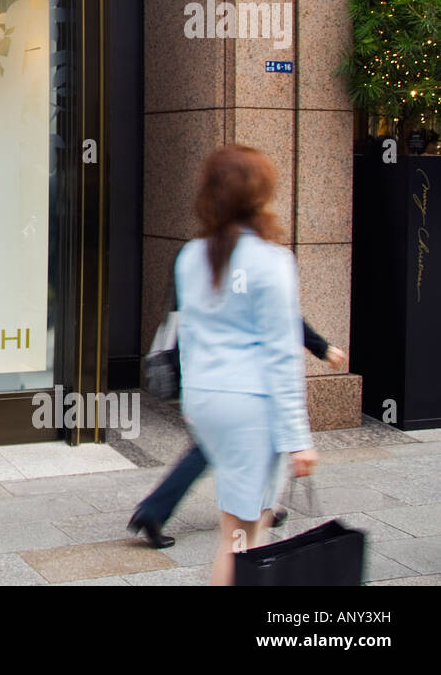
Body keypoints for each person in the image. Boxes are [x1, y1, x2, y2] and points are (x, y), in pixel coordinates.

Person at [171, 144, 317, 586]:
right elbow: (281, 353)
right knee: (241, 539)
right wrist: (300, 439)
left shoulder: (190, 257)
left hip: (208, 402)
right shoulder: (272, 261)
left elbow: (189, 337)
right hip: (251, 408)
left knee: (241, 530)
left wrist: (194, 402)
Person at [129, 324, 346, 548]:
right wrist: (322, 348)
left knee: (211, 448)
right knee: (234, 446)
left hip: (213, 378)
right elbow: (284, 315)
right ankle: (156, 511)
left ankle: (155, 511)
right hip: (243, 381)